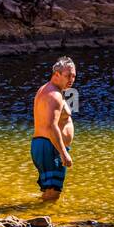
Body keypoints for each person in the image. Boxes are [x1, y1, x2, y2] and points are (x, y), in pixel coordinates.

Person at [31, 56, 76, 202]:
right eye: (68, 75)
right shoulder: (54, 95)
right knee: (53, 192)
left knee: (51, 191)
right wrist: (64, 154)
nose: (71, 79)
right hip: (49, 146)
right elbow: (51, 126)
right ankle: (42, 220)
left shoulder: (49, 90)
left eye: (74, 76)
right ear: (56, 74)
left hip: (46, 145)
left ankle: (38, 216)